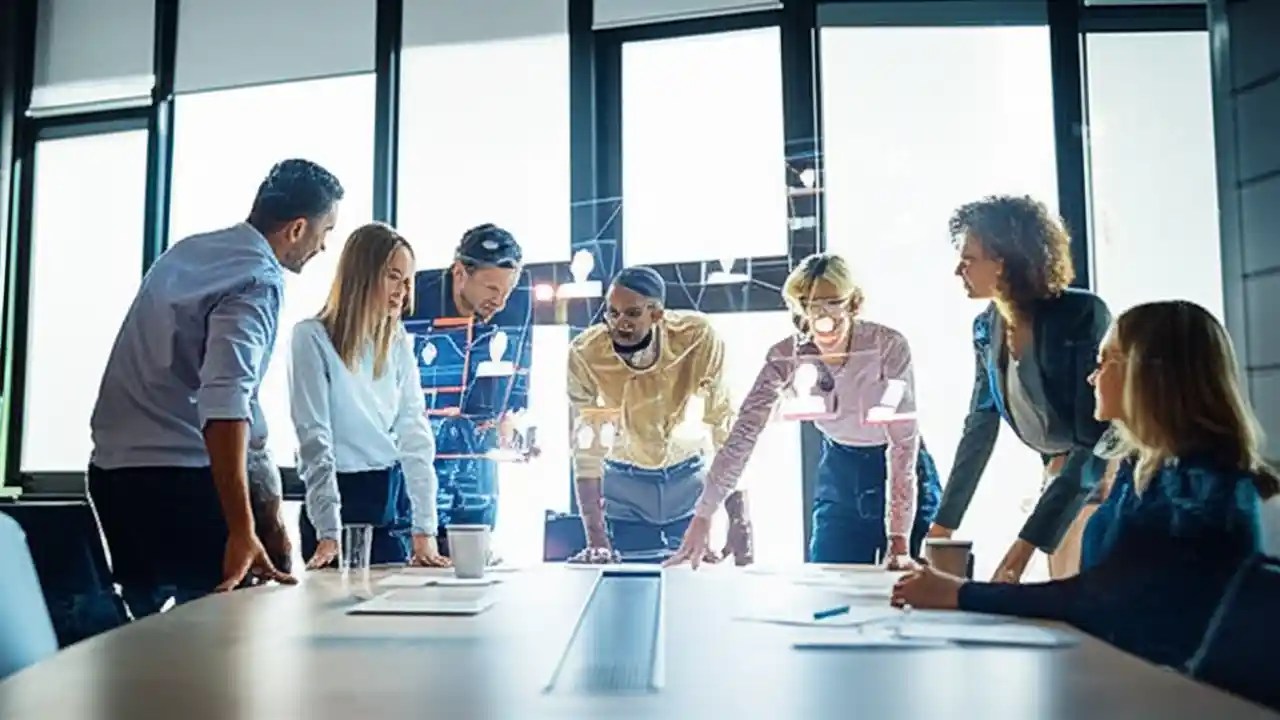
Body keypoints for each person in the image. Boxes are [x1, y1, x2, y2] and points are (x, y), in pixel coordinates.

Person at [893, 300, 1277, 671]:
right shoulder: (1145, 470)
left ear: (1145, 373)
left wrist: (958, 593)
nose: (1091, 377)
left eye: (1103, 361)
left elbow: (1096, 599)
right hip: (1122, 675)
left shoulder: (1198, 493)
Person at [89, 158, 343, 617]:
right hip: (183, 481)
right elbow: (225, 398)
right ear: (297, 228)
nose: (324, 247)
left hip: (114, 475)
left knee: (142, 641)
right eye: (326, 232)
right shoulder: (258, 277)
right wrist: (243, 529)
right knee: (223, 640)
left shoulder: (186, 253)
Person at [667, 253, 941, 569]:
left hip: (900, 467)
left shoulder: (887, 345)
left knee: (907, 582)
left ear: (853, 303)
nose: (824, 315)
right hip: (841, 467)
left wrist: (899, 541)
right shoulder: (786, 356)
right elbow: (744, 432)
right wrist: (704, 515)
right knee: (829, 574)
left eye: (834, 302)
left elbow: (903, 444)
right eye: (813, 305)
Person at [927, 195, 1111, 581]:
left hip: (1103, 470)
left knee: (1078, 589)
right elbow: (979, 427)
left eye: (968, 258)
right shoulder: (985, 327)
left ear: (1004, 260)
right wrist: (941, 529)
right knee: (1061, 593)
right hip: (1059, 470)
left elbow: (1092, 438)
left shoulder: (1081, 314)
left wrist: (1018, 552)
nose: (958, 269)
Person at [290, 223, 450, 569]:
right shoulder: (311, 338)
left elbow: (414, 431)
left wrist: (425, 529)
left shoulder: (397, 341)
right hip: (334, 504)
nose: (403, 292)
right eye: (393, 277)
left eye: (407, 281)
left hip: (390, 503)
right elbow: (314, 437)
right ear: (363, 275)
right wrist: (329, 530)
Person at [567, 266, 752, 564]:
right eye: (612, 313)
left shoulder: (698, 337)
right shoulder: (586, 352)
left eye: (631, 313)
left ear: (656, 314)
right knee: (624, 587)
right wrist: (596, 539)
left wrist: (739, 518)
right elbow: (586, 446)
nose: (619, 323)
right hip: (624, 485)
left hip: (688, 481)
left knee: (690, 587)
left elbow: (724, 427)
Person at [406, 224, 533, 556]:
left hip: (477, 451)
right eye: (491, 287)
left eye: (508, 288)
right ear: (459, 273)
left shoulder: (516, 301)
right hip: (417, 444)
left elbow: (519, 367)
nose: (501, 300)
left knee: (473, 555)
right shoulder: (414, 295)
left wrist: (513, 421)